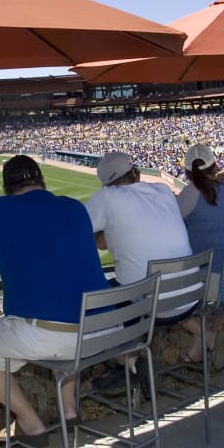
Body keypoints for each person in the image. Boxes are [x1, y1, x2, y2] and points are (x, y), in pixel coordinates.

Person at [0, 155, 109, 445]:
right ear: (41, 180)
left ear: (7, 187)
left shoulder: (1, 208)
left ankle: (31, 424)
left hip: (47, 335)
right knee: (63, 318)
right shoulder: (74, 207)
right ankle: (69, 410)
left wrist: (8, 250)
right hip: (97, 330)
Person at [86, 151, 198, 386]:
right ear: (136, 173)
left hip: (153, 304)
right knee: (144, 282)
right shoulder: (163, 190)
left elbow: (77, 227)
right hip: (190, 295)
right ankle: (203, 334)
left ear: (106, 183)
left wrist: (99, 234)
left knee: (97, 297)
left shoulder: (108, 197)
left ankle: (128, 363)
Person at [177, 144, 224, 363]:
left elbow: (174, 224)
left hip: (211, 284)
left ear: (187, 171)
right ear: (215, 165)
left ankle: (205, 335)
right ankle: (201, 342)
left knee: (167, 296)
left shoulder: (190, 193)